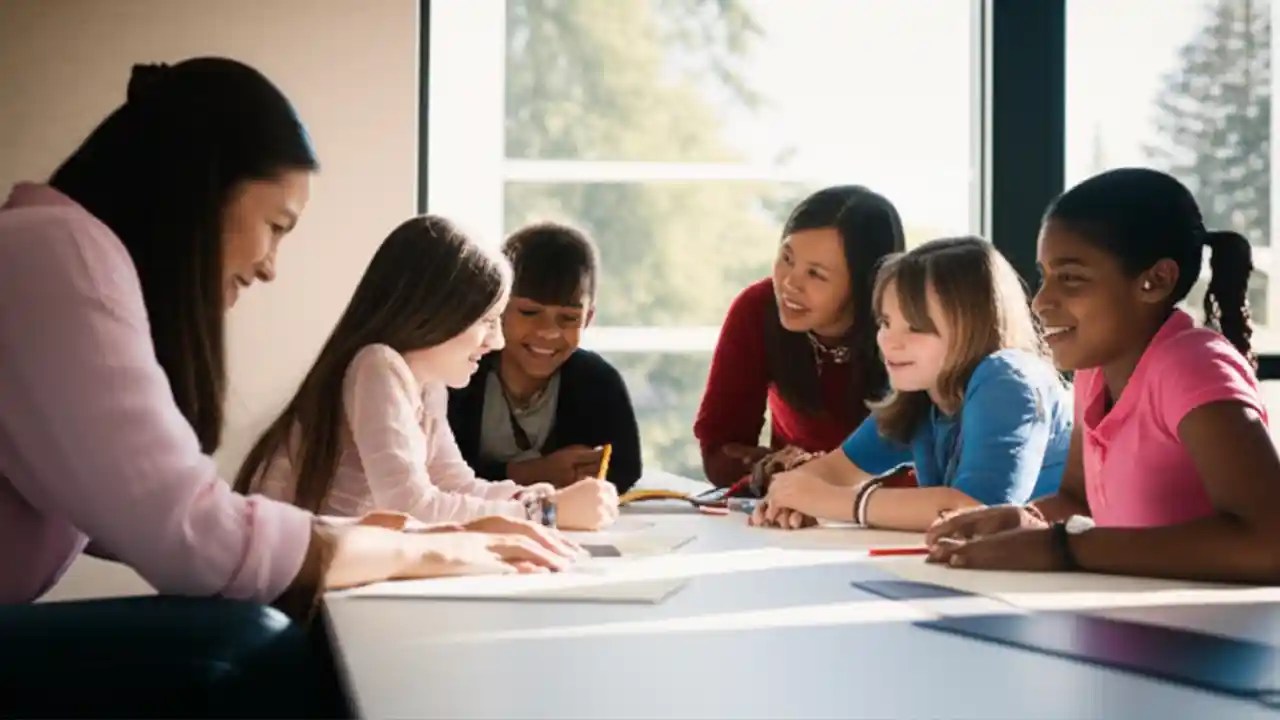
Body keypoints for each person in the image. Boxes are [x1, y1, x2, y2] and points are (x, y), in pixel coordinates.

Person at [0, 57, 575, 717]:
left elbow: (147, 521)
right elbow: (191, 538)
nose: (271, 267)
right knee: (251, 647)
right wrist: (426, 548)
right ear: (202, 188)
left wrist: (370, 538)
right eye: (277, 227)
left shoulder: (49, 251)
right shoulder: (54, 255)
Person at [927, 168, 1280, 585]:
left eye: (1071, 278)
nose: (1041, 301)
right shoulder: (1095, 370)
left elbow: (1268, 544)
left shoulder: (1193, 366)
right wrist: (1025, 520)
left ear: (1155, 280)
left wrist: (1062, 548)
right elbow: (1079, 500)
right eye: (1044, 276)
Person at [236, 216, 620, 531]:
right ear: (439, 313)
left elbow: (455, 483)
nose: (497, 341)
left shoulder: (426, 383)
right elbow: (411, 507)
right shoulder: (377, 366)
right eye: (487, 321)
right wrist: (547, 514)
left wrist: (535, 499)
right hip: (296, 585)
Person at [752, 237, 1072, 531]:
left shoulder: (1007, 379)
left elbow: (977, 512)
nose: (889, 341)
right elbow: (833, 471)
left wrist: (830, 502)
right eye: (886, 322)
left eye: (916, 327)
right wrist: (790, 499)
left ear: (976, 328)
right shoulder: (921, 394)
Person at [694, 185, 908, 488]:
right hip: (792, 513)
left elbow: (929, 467)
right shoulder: (759, 308)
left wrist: (819, 477)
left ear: (867, 285)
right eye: (787, 258)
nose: (789, 284)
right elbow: (718, 451)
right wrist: (774, 468)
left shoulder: (907, 329)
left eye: (816, 274)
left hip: (892, 517)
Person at [448, 221, 642, 492]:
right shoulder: (459, 372)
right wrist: (532, 473)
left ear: (588, 318)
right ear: (497, 306)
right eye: (529, 312)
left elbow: (625, 468)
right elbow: (432, 474)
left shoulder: (597, 381)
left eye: (569, 318)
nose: (548, 332)